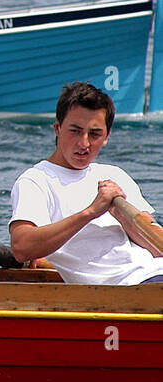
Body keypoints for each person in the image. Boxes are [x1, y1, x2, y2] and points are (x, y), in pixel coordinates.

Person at [9, 82, 163, 285]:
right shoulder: (35, 181)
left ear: (107, 136)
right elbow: (22, 247)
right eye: (75, 131)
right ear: (57, 128)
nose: (84, 144)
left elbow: (157, 246)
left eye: (95, 134)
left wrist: (124, 219)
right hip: (124, 289)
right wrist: (91, 212)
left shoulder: (114, 175)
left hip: (154, 273)